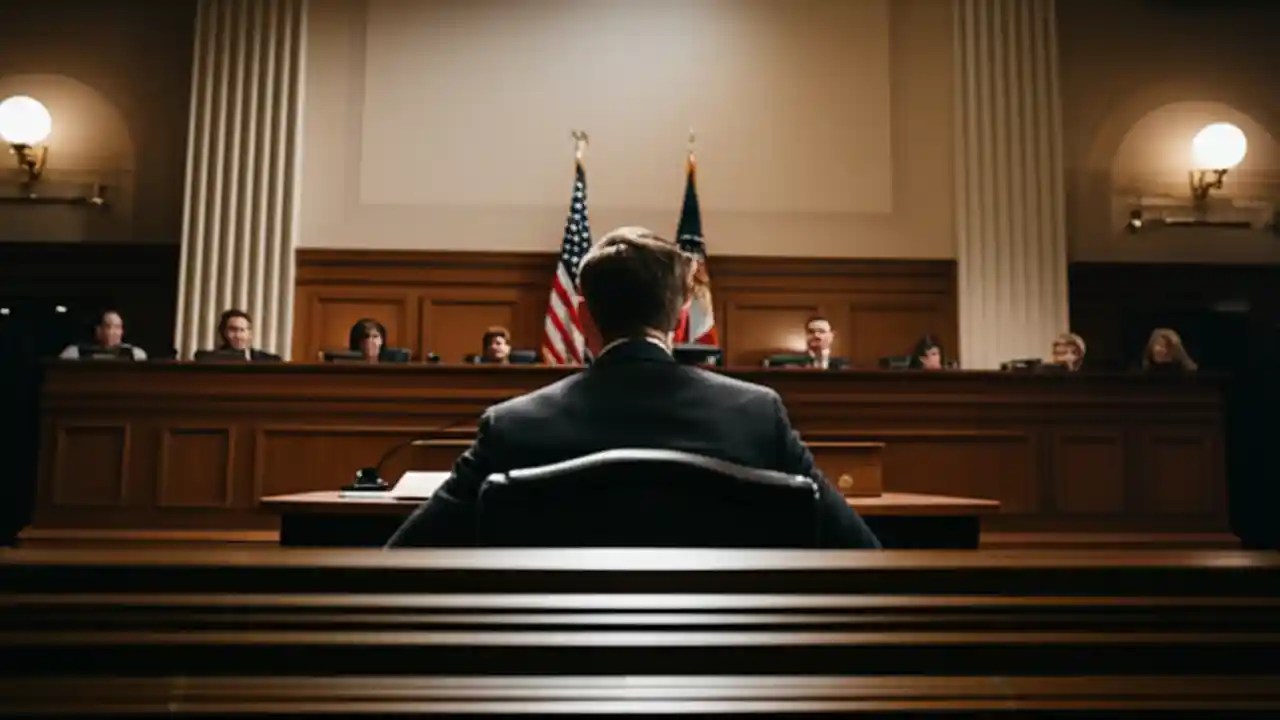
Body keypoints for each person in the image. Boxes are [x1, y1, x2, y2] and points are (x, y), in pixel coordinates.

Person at [387, 226, 879, 549]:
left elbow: (403, 558)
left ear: (581, 317)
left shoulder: (514, 426)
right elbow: (862, 552)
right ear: (680, 319)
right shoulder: (756, 414)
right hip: (729, 671)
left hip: (547, 678)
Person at [58, 309, 147, 360]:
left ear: (122, 331)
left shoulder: (136, 354)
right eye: (108, 327)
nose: (113, 332)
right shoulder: (74, 352)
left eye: (117, 327)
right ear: (98, 330)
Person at [197, 309, 281, 362]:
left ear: (250, 334)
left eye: (242, 330)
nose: (238, 335)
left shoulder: (271, 360)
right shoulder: (208, 359)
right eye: (233, 330)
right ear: (224, 332)